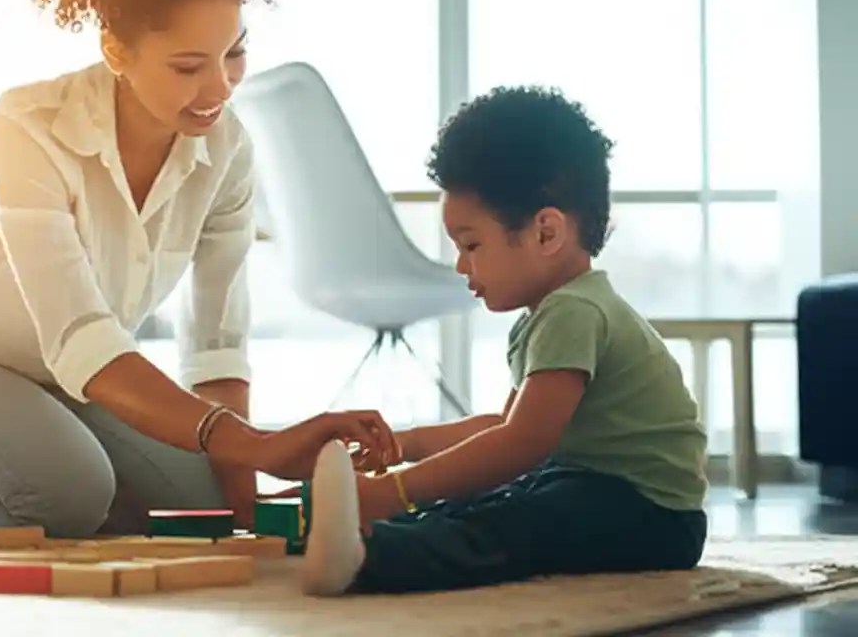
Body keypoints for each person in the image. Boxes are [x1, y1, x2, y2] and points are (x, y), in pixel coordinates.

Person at [0, 0, 400, 539]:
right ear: (117, 51)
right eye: (188, 66)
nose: (219, 87)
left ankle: (26, 461)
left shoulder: (227, 152)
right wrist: (253, 444)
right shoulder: (26, 125)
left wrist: (245, 495)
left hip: (67, 381)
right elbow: (79, 333)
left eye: (235, 53)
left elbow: (215, 342)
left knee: (203, 512)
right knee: (70, 495)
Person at [301, 86, 709, 595]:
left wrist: (393, 490)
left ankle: (370, 557)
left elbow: (521, 443)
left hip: (652, 515)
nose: (460, 264)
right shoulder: (554, 311)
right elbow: (505, 426)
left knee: (520, 519)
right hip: (588, 487)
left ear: (545, 233)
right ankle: (361, 536)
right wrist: (407, 445)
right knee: (483, 499)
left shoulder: (574, 311)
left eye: (471, 244)